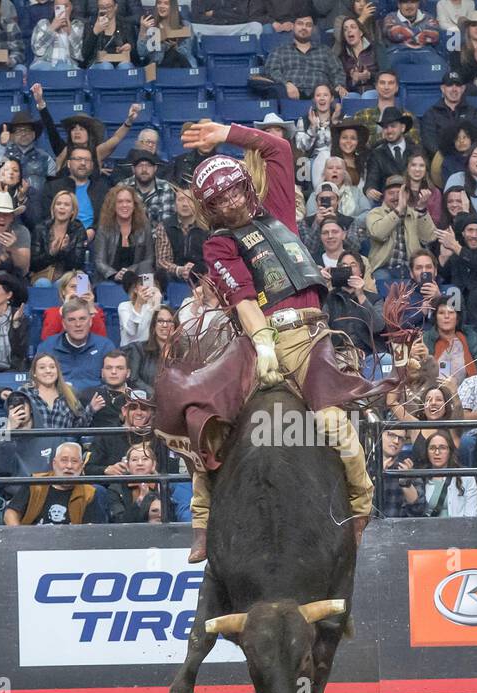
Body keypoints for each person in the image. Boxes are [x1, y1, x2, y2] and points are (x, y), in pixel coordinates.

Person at [156, 118, 384, 562]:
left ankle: (360, 507)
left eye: (237, 191)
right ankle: (202, 521)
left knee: (338, 428)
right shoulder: (218, 244)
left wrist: (226, 134)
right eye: (221, 200)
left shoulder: (277, 207)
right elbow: (241, 297)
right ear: (211, 208)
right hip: (259, 335)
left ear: (247, 185)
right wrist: (262, 343)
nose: (234, 203)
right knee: (208, 420)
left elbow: (278, 148)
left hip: (309, 334)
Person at [2, 441, 96, 525]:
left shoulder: (89, 493)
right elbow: (10, 513)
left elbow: (91, 531)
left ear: (81, 466)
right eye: (64, 460)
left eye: (74, 461)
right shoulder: (35, 483)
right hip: (33, 541)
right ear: (54, 463)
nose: (69, 466)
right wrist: (20, 539)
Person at [35, 296, 113, 393]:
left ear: (90, 321)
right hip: (58, 401)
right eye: (72, 320)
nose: (78, 324)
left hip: (97, 401)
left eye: (82, 319)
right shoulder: (47, 347)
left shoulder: (105, 346)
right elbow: (38, 381)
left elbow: (113, 381)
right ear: (64, 324)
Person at [422, 430, 477, 517]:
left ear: (450, 451)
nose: (437, 453)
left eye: (442, 448)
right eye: (432, 448)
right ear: (427, 452)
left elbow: (471, 516)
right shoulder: (420, 477)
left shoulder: (466, 477)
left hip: (458, 529)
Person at [375, 426, 427, 517]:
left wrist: (406, 484)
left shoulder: (407, 470)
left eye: (401, 438)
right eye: (391, 435)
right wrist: (378, 478)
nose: (396, 441)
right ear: (380, 435)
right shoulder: (365, 467)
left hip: (399, 528)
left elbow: (419, 511)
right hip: (370, 527)